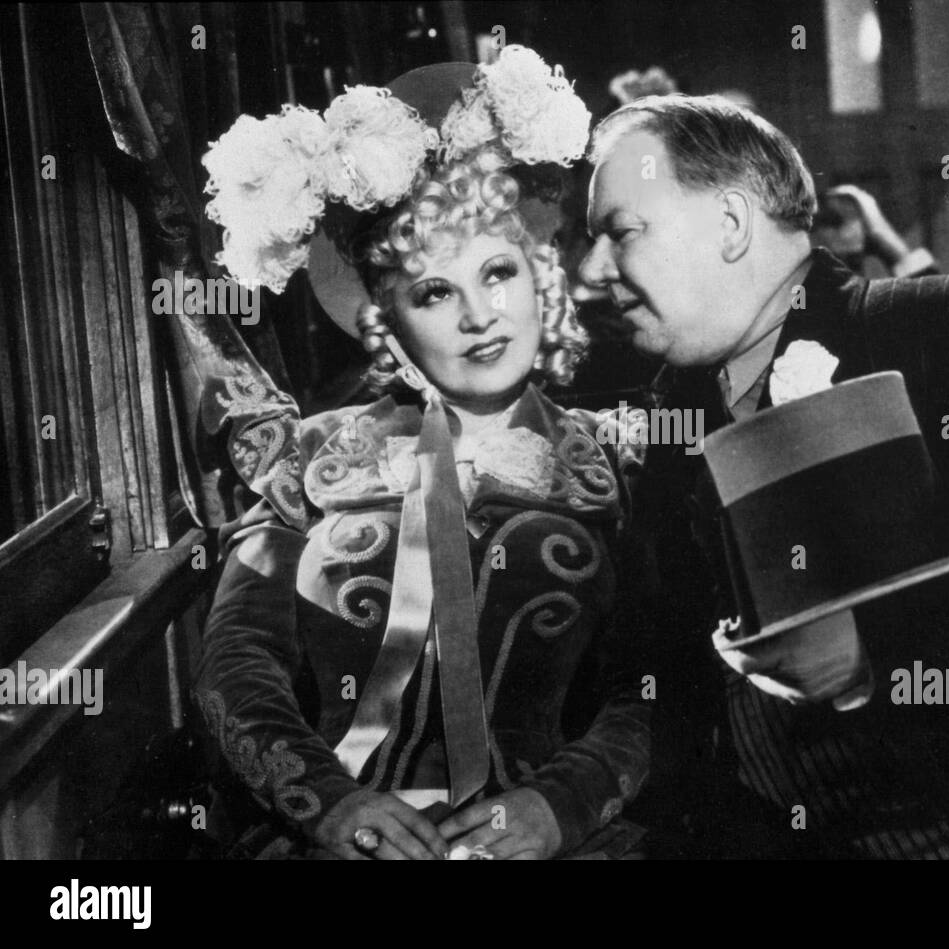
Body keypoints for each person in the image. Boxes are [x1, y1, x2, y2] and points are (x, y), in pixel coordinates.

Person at [579, 94, 949, 858]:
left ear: (731, 224)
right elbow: (656, 675)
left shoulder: (941, 325)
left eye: (619, 233)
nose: (591, 270)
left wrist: (878, 649)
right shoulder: (666, 420)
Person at [195, 47, 650, 860]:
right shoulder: (311, 462)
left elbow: (655, 681)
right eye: (436, 291)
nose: (481, 315)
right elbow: (239, 663)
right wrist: (329, 806)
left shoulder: (616, 461)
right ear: (389, 321)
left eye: (498, 272)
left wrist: (562, 804)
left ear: (539, 279)